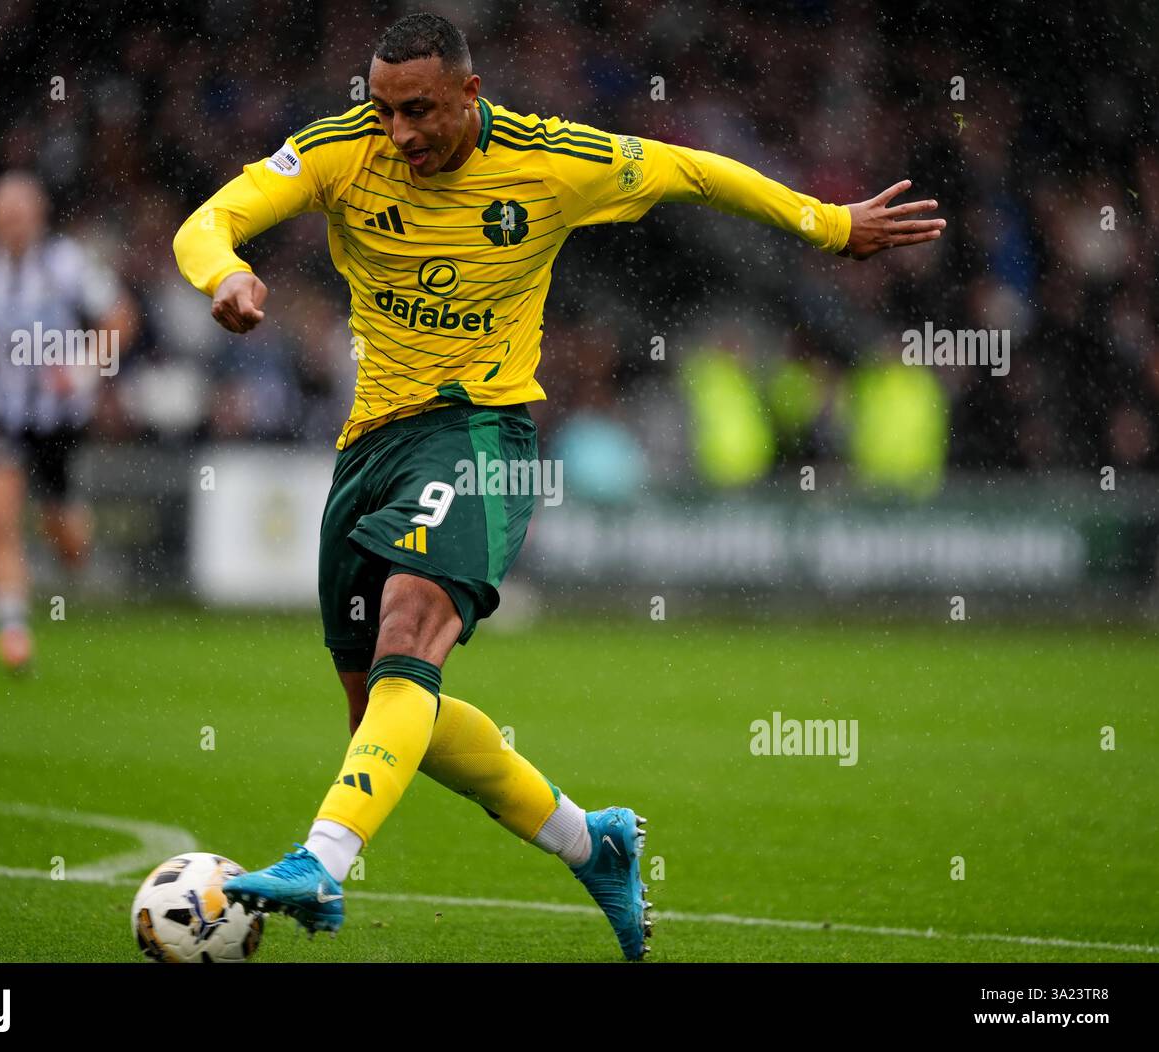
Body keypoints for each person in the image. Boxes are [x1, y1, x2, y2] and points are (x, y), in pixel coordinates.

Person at [172, 11, 944, 960]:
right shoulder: (340, 150)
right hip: (366, 450)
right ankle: (594, 843)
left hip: (479, 432)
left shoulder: (549, 159)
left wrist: (827, 223)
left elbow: (691, 168)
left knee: (411, 635)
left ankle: (320, 861)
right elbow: (207, 221)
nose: (400, 134)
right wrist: (227, 274)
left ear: (470, 93)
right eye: (383, 111)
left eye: (419, 112)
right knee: (383, 709)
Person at [0, 171, 136, 670]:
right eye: (2, 216)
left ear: (39, 215)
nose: (12, 224)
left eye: (19, 214)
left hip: (57, 423)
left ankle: (74, 552)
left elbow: (121, 316)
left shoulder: (67, 265)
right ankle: (13, 631)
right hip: (0, 419)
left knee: (63, 534)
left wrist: (86, 368)